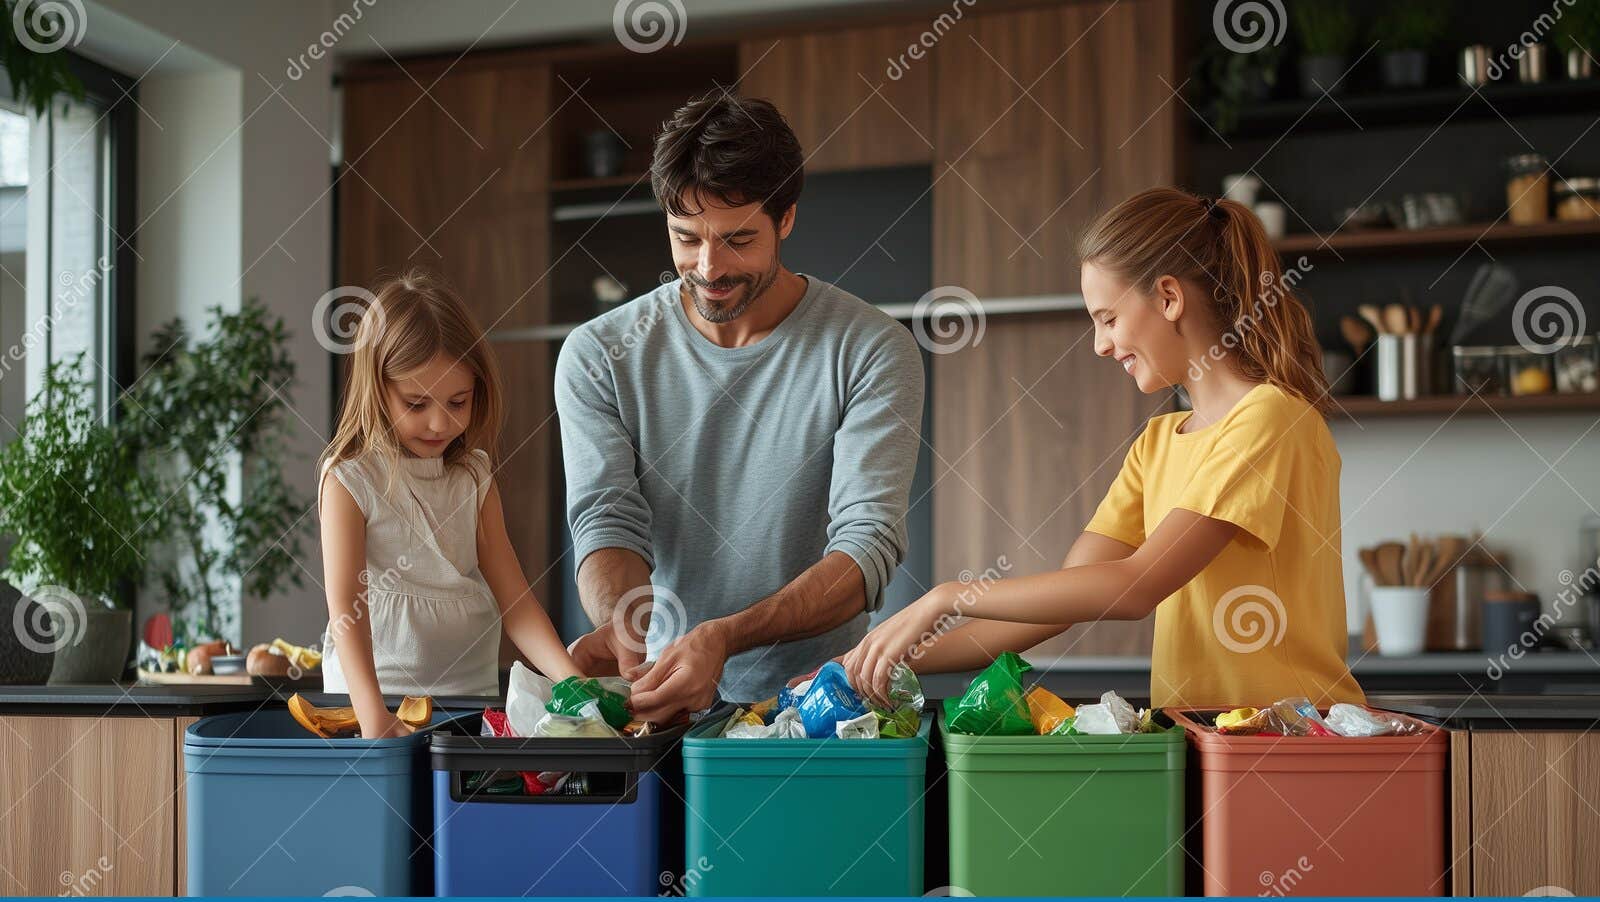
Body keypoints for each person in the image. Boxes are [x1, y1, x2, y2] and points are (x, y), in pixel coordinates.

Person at [837, 187, 1364, 711]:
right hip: (1209, 737)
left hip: (1295, 740)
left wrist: (946, 597)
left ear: (1168, 297)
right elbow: (1064, 601)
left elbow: (1134, 588)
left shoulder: (1268, 418)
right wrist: (876, 659)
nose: (1101, 344)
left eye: (1108, 318)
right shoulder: (1159, 442)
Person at [554, 93, 924, 723]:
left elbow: (866, 550)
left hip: (818, 704)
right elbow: (607, 521)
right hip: (664, 697)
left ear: (787, 219)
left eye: (737, 239)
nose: (708, 267)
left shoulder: (870, 348)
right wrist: (623, 622)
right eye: (686, 237)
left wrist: (723, 638)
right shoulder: (599, 354)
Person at [319, 270, 579, 738]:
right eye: (416, 404)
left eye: (458, 401)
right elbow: (345, 607)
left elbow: (515, 602)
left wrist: (573, 683)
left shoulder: (473, 476)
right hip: (375, 700)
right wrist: (373, 715)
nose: (440, 423)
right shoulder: (350, 479)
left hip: (467, 697)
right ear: (376, 390)